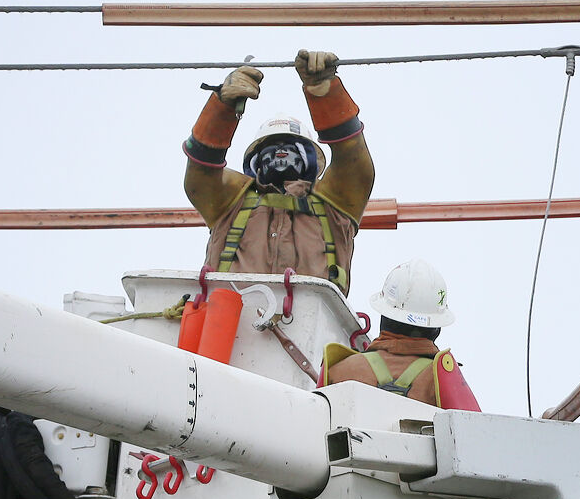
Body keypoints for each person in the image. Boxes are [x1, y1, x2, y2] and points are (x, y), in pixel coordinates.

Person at [182, 50, 373, 292]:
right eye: (273, 147)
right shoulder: (230, 203)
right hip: (229, 323)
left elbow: (352, 159)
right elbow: (201, 172)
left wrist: (325, 92)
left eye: (290, 146)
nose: (281, 153)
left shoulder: (335, 204)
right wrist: (223, 107)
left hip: (315, 324)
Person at [321, 258, 480, 411]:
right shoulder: (444, 380)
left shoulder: (338, 370)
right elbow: (476, 434)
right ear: (436, 327)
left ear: (384, 315)